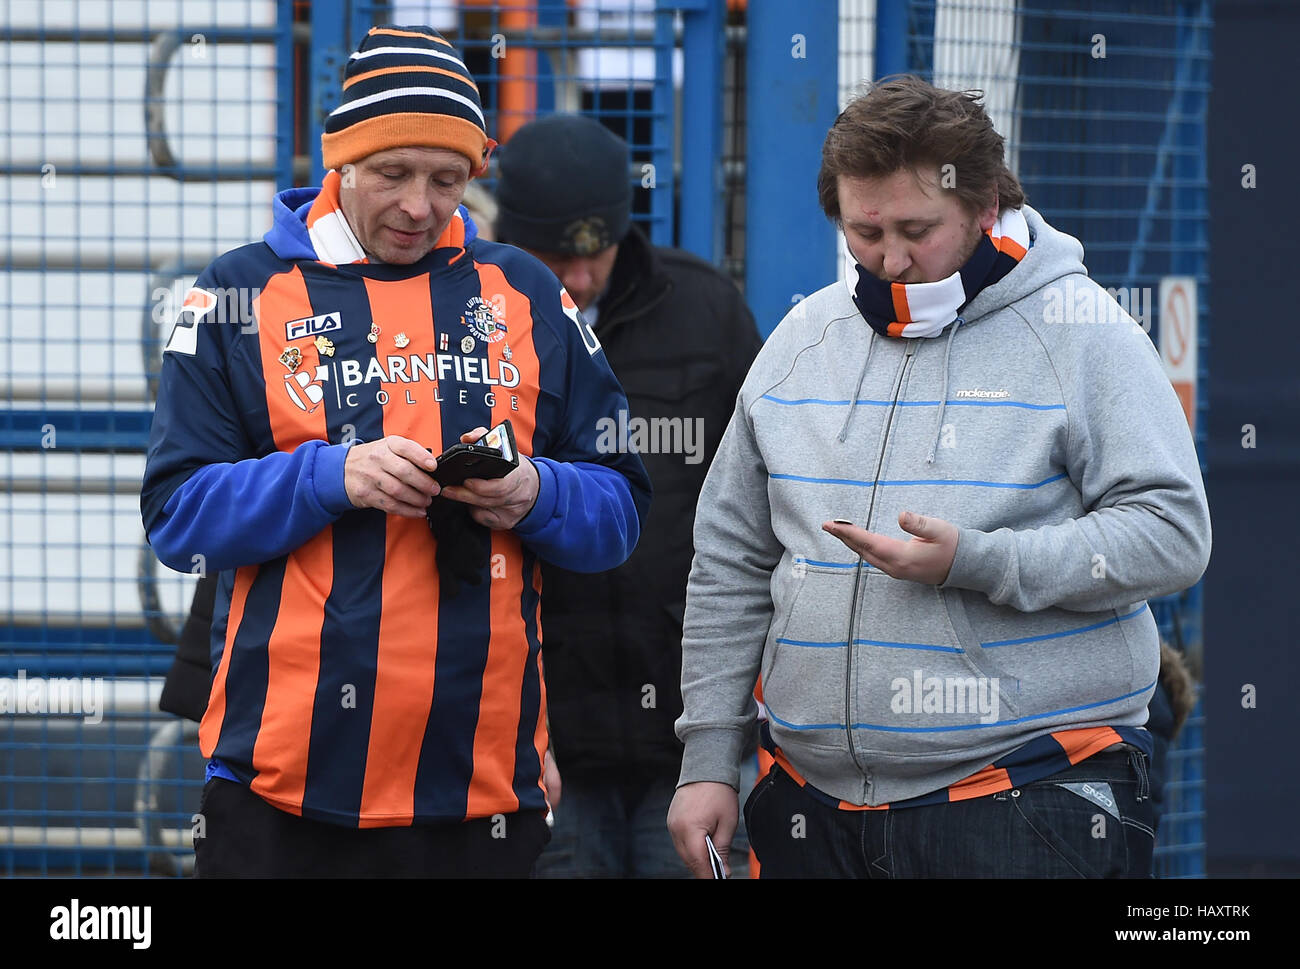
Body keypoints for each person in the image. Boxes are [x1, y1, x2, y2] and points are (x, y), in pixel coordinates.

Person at [667, 75, 1212, 879]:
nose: (889, 258)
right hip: (808, 803)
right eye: (864, 230)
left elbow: (1173, 534)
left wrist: (977, 560)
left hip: (1027, 793)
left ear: (983, 206)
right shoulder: (800, 338)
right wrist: (709, 756)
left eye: (917, 230)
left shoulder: (1086, 332)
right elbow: (730, 561)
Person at [140, 24, 651, 878]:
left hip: (478, 792)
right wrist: (329, 475)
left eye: (448, 178)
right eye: (393, 174)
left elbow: (623, 509)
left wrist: (533, 493)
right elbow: (176, 516)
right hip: (281, 792)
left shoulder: (523, 290)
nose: (420, 204)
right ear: (339, 162)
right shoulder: (239, 292)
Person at [492, 113, 762, 877]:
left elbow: (769, 490)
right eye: (554, 257)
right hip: (542, 734)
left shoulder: (707, 309)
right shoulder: (473, 324)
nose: (578, 278)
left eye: (597, 251)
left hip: (688, 729)